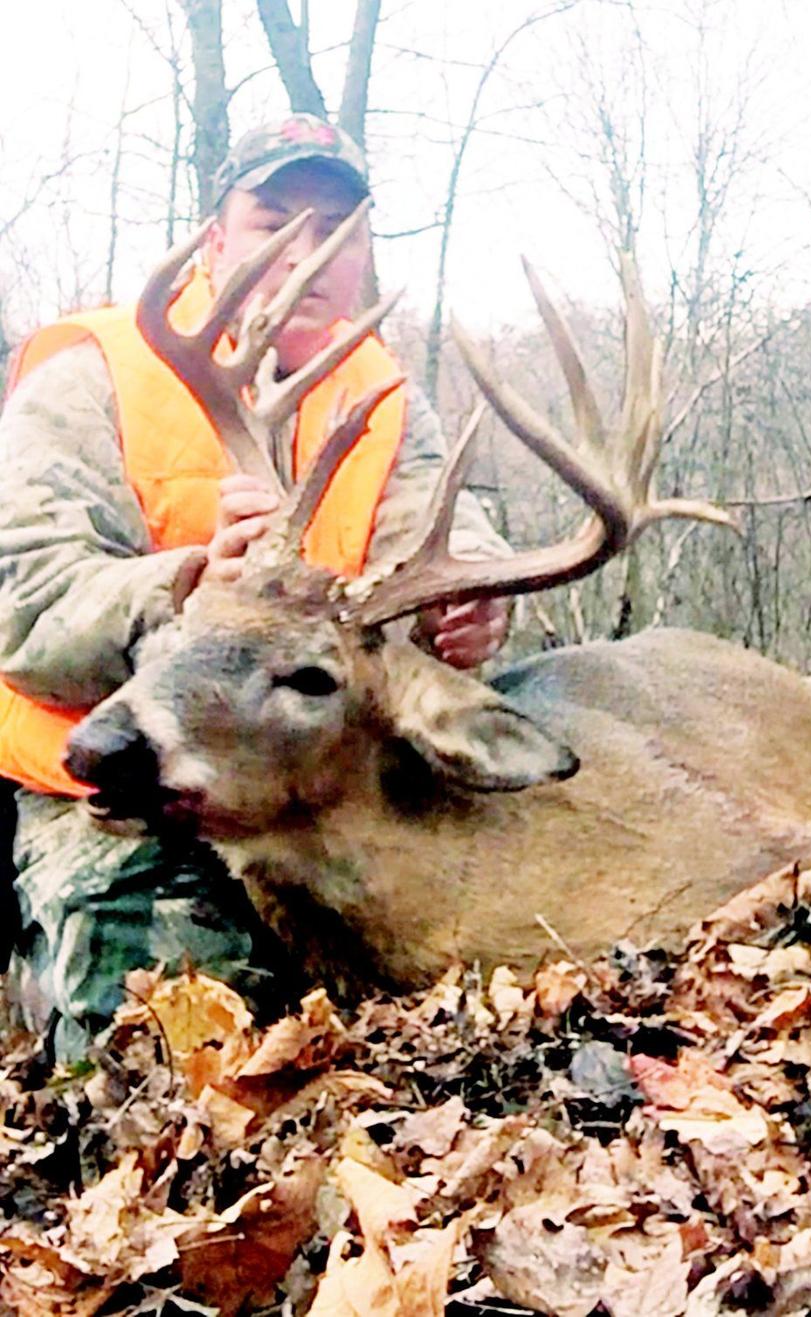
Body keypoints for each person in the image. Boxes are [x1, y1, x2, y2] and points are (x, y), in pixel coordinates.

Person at [0, 114, 511, 1059]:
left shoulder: (383, 398)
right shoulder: (95, 374)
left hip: (303, 775)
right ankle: (34, 964)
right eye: (274, 219)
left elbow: (445, 536)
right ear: (217, 234)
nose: (303, 256)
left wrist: (469, 614)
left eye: (335, 232)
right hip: (108, 778)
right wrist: (187, 582)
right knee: (183, 1037)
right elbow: (22, 604)